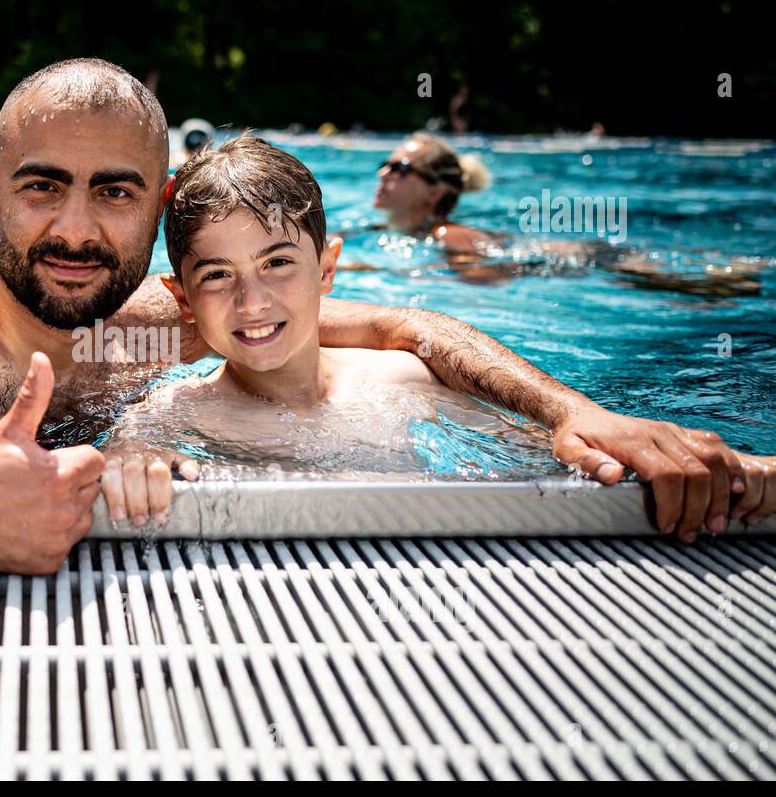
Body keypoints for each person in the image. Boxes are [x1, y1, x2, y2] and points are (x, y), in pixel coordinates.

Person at [0, 59, 771, 580]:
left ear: (158, 207)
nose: (74, 229)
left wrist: (580, 414)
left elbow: (400, 331)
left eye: (113, 192)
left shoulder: (175, 316)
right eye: (41, 187)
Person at [101, 135, 776, 524]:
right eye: (216, 275)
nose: (252, 301)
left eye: (278, 262)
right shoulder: (174, 411)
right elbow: (127, 458)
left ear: (328, 267)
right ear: (181, 298)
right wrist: (128, 458)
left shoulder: (404, 379)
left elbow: (562, 462)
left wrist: (732, 476)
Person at [367, 132, 764, 294]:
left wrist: (414, 273)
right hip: (568, 257)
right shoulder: (406, 233)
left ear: (434, 192)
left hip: (582, 259)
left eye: (400, 169)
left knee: (697, 284)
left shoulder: (449, 237)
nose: (384, 174)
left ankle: (735, 276)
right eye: (385, 164)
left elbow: (487, 280)